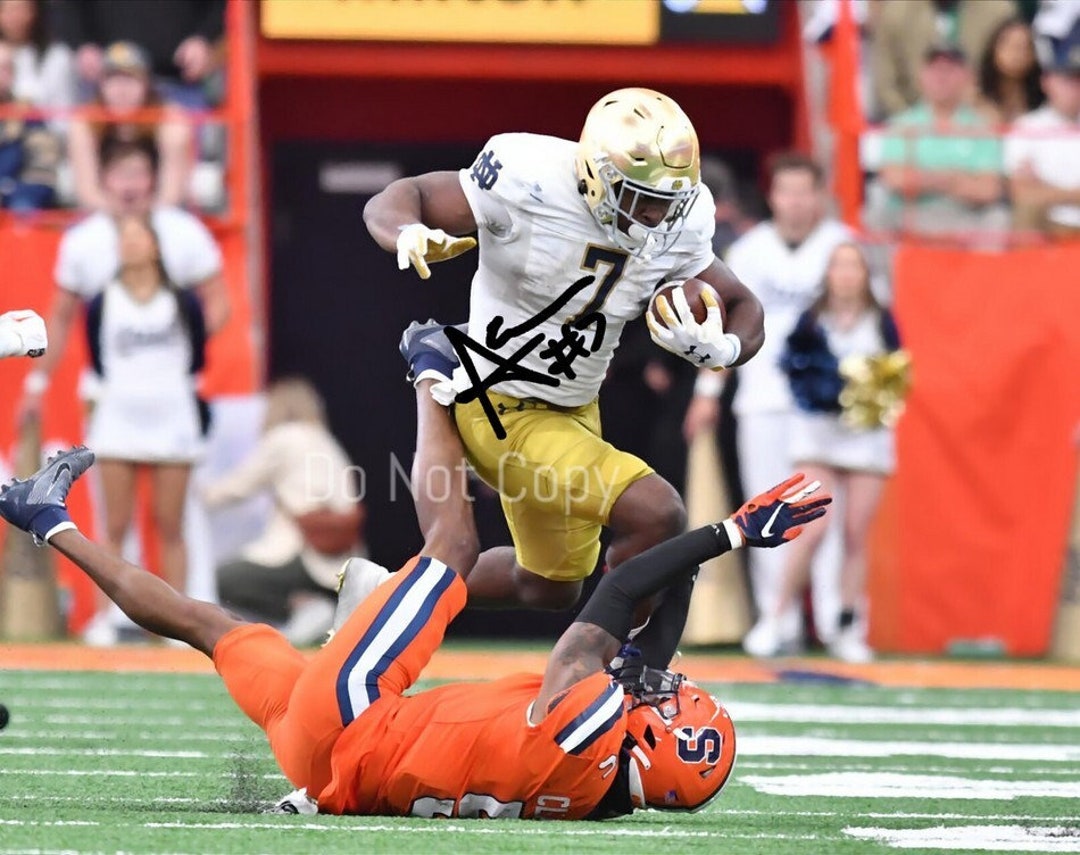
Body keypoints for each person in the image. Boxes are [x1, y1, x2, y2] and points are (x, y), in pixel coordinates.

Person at [0, 375, 832, 819]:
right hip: (329, 772)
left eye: (674, 700)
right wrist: (705, 548)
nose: (669, 681)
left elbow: (620, 588)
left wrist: (730, 534)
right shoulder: (599, 784)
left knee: (456, 546)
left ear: (645, 735)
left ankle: (428, 379)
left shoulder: (586, 721)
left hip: (359, 709)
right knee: (211, 626)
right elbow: (651, 614)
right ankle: (46, 518)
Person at [365, 87, 766, 671]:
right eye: (641, 198)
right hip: (499, 399)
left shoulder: (680, 216)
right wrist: (406, 232)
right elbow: (410, 194)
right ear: (597, 175)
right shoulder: (528, 177)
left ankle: (387, 596)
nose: (656, 217)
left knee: (550, 585)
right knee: (658, 513)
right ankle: (603, 668)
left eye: (667, 202)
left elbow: (743, 304)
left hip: (575, 405)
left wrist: (723, 346)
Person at [682, 153, 851, 652]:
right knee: (763, 510)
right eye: (787, 191)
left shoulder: (844, 248)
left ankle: (835, 622)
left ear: (820, 194)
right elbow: (720, 326)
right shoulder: (750, 251)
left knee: (827, 518)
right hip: (764, 397)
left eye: (805, 191)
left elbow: (872, 322)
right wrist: (708, 390)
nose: (796, 203)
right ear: (773, 196)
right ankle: (777, 622)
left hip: (827, 404)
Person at [745, 242, 902, 663]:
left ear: (866, 275)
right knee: (812, 526)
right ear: (828, 274)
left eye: (855, 267)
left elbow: (898, 369)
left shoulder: (880, 319)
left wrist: (871, 395)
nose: (847, 275)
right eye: (839, 267)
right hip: (818, 433)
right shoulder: (811, 320)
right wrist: (825, 390)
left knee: (855, 532)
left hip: (865, 434)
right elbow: (792, 365)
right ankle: (775, 618)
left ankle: (847, 626)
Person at [17, 137, 227, 425]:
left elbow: (219, 303)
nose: (129, 186)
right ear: (103, 180)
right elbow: (60, 318)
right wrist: (37, 383)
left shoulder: (185, 233)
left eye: (138, 174)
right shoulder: (82, 241)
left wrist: (176, 347)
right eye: (120, 174)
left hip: (172, 386)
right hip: (108, 387)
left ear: (153, 180)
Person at [77, 214, 208, 646]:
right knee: (114, 524)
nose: (130, 245)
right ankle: (107, 620)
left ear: (155, 245)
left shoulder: (183, 300)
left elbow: (197, 355)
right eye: (124, 238)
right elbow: (96, 357)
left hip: (172, 417)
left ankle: (180, 624)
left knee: (169, 524)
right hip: (118, 419)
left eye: (138, 236)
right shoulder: (102, 300)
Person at [203, 377, 367, 647]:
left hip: (302, 557)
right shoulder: (328, 442)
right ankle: (316, 611)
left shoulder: (283, 438)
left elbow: (236, 488)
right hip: (343, 565)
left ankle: (300, 609)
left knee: (224, 580)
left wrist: (193, 496)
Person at [868, 45, 1007, 238]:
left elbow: (988, 189)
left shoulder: (982, 128)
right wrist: (952, 179)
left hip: (963, 216)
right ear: (921, 76)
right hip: (911, 213)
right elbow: (893, 179)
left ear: (967, 76)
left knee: (998, 219)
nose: (941, 77)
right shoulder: (902, 124)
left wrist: (927, 179)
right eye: (934, 69)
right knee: (874, 215)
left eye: (949, 70)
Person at [67, 41, 193, 210]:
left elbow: (171, 196)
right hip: (103, 215)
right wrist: (122, 222)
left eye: (130, 80)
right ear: (100, 86)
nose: (121, 90)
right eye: (113, 80)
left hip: (159, 216)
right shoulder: (85, 123)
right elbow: (88, 195)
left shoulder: (170, 122)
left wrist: (141, 225)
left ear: (147, 85)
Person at [52, 0, 224, 109]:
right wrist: (81, 44)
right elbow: (65, 6)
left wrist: (203, 37)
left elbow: (221, 5)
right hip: (106, 85)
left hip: (177, 80)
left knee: (184, 147)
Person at [871, 0, 1018, 120]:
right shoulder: (896, 13)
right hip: (911, 126)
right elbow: (886, 82)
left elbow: (1013, 72)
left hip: (985, 120)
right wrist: (912, 121)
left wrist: (989, 117)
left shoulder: (999, 11)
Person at [1005, 18, 1080, 237]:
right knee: (1026, 211)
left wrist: (1045, 187)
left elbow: (1034, 191)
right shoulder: (1026, 126)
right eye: (1067, 78)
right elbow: (1021, 193)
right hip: (1047, 224)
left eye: (1079, 78)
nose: (1075, 87)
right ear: (1046, 81)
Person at [0, 38, 59, 210]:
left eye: (5, 68)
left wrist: (11, 194)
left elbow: (42, 173)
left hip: (14, 207)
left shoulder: (28, 116)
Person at [0, 0, 75, 119]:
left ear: (34, 11)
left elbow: (63, 115)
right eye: (7, 10)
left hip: (42, 131)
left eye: (21, 9)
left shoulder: (57, 56)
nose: (15, 17)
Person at [976, 17, 1045, 126]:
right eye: (1009, 44)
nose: (1016, 53)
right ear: (993, 48)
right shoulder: (974, 95)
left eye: (1025, 47)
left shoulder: (1045, 98)